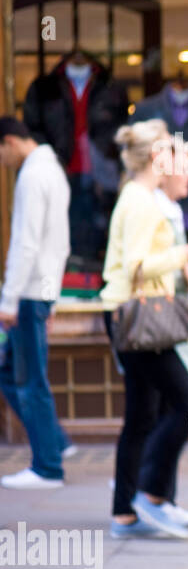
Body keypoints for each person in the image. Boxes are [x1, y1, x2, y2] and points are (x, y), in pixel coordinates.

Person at [100, 121, 188, 540]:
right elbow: (137, 266)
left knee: (141, 417)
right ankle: (150, 495)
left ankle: (125, 514)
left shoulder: (135, 197)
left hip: (129, 316)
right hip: (140, 319)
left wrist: (178, 260)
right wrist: (183, 252)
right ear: (155, 159)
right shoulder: (142, 202)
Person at [0, 116, 72, 489]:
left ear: (10, 141)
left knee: (29, 381)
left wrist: (9, 299)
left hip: (28, 294)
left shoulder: (31, 176)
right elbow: (58, 245)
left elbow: (27, 244)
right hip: (39, 291)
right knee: (16, 374)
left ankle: (47, 465)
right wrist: (52, 298)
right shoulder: (53, 171)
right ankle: (55, 444)